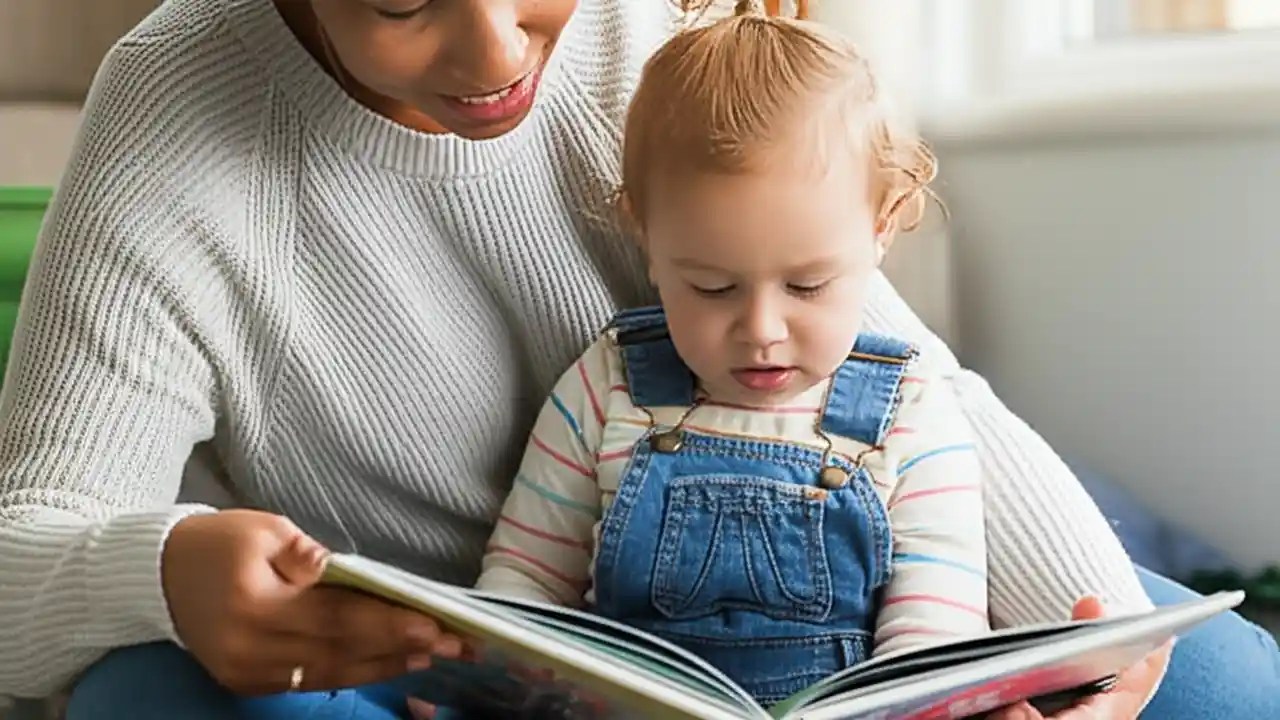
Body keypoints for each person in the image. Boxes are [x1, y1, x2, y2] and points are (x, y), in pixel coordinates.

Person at [0, 0, 1271, 718]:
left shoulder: (634, 39)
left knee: (1223, 681)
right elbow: (19, 562)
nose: (498, 56)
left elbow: (897, 371)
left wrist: (1099, 632)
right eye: (402, 2)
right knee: (146, 703)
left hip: (799, 666)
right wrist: (158, 572)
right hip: (430, 682)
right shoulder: (172, 114)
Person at [473, 5, 992, 706]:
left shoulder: (912, 411)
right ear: (646, 239)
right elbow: (526, 577)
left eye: (807, 285)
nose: (762, 329)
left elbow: (935, 629)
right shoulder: (610, 386)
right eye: (712, 287)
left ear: (881, 229)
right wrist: (504, 663)